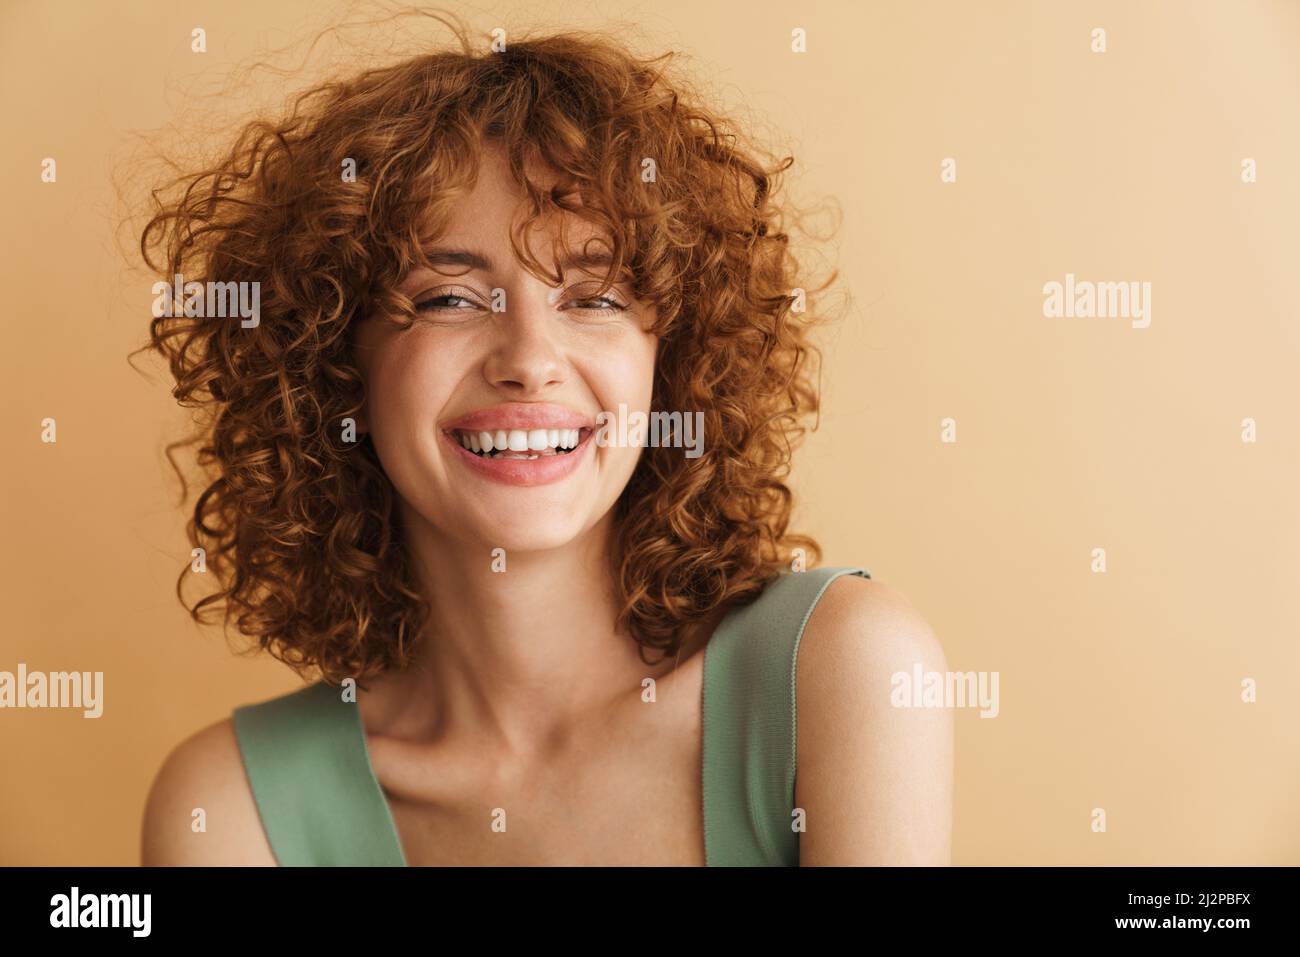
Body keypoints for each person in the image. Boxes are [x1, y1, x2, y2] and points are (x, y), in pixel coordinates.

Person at [138, 22, 952, 866]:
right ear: (337, 364)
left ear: (668, 363)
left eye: (594, 297)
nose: (528, 361)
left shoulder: (841, 670)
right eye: (449, 297)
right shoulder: (231, 808)